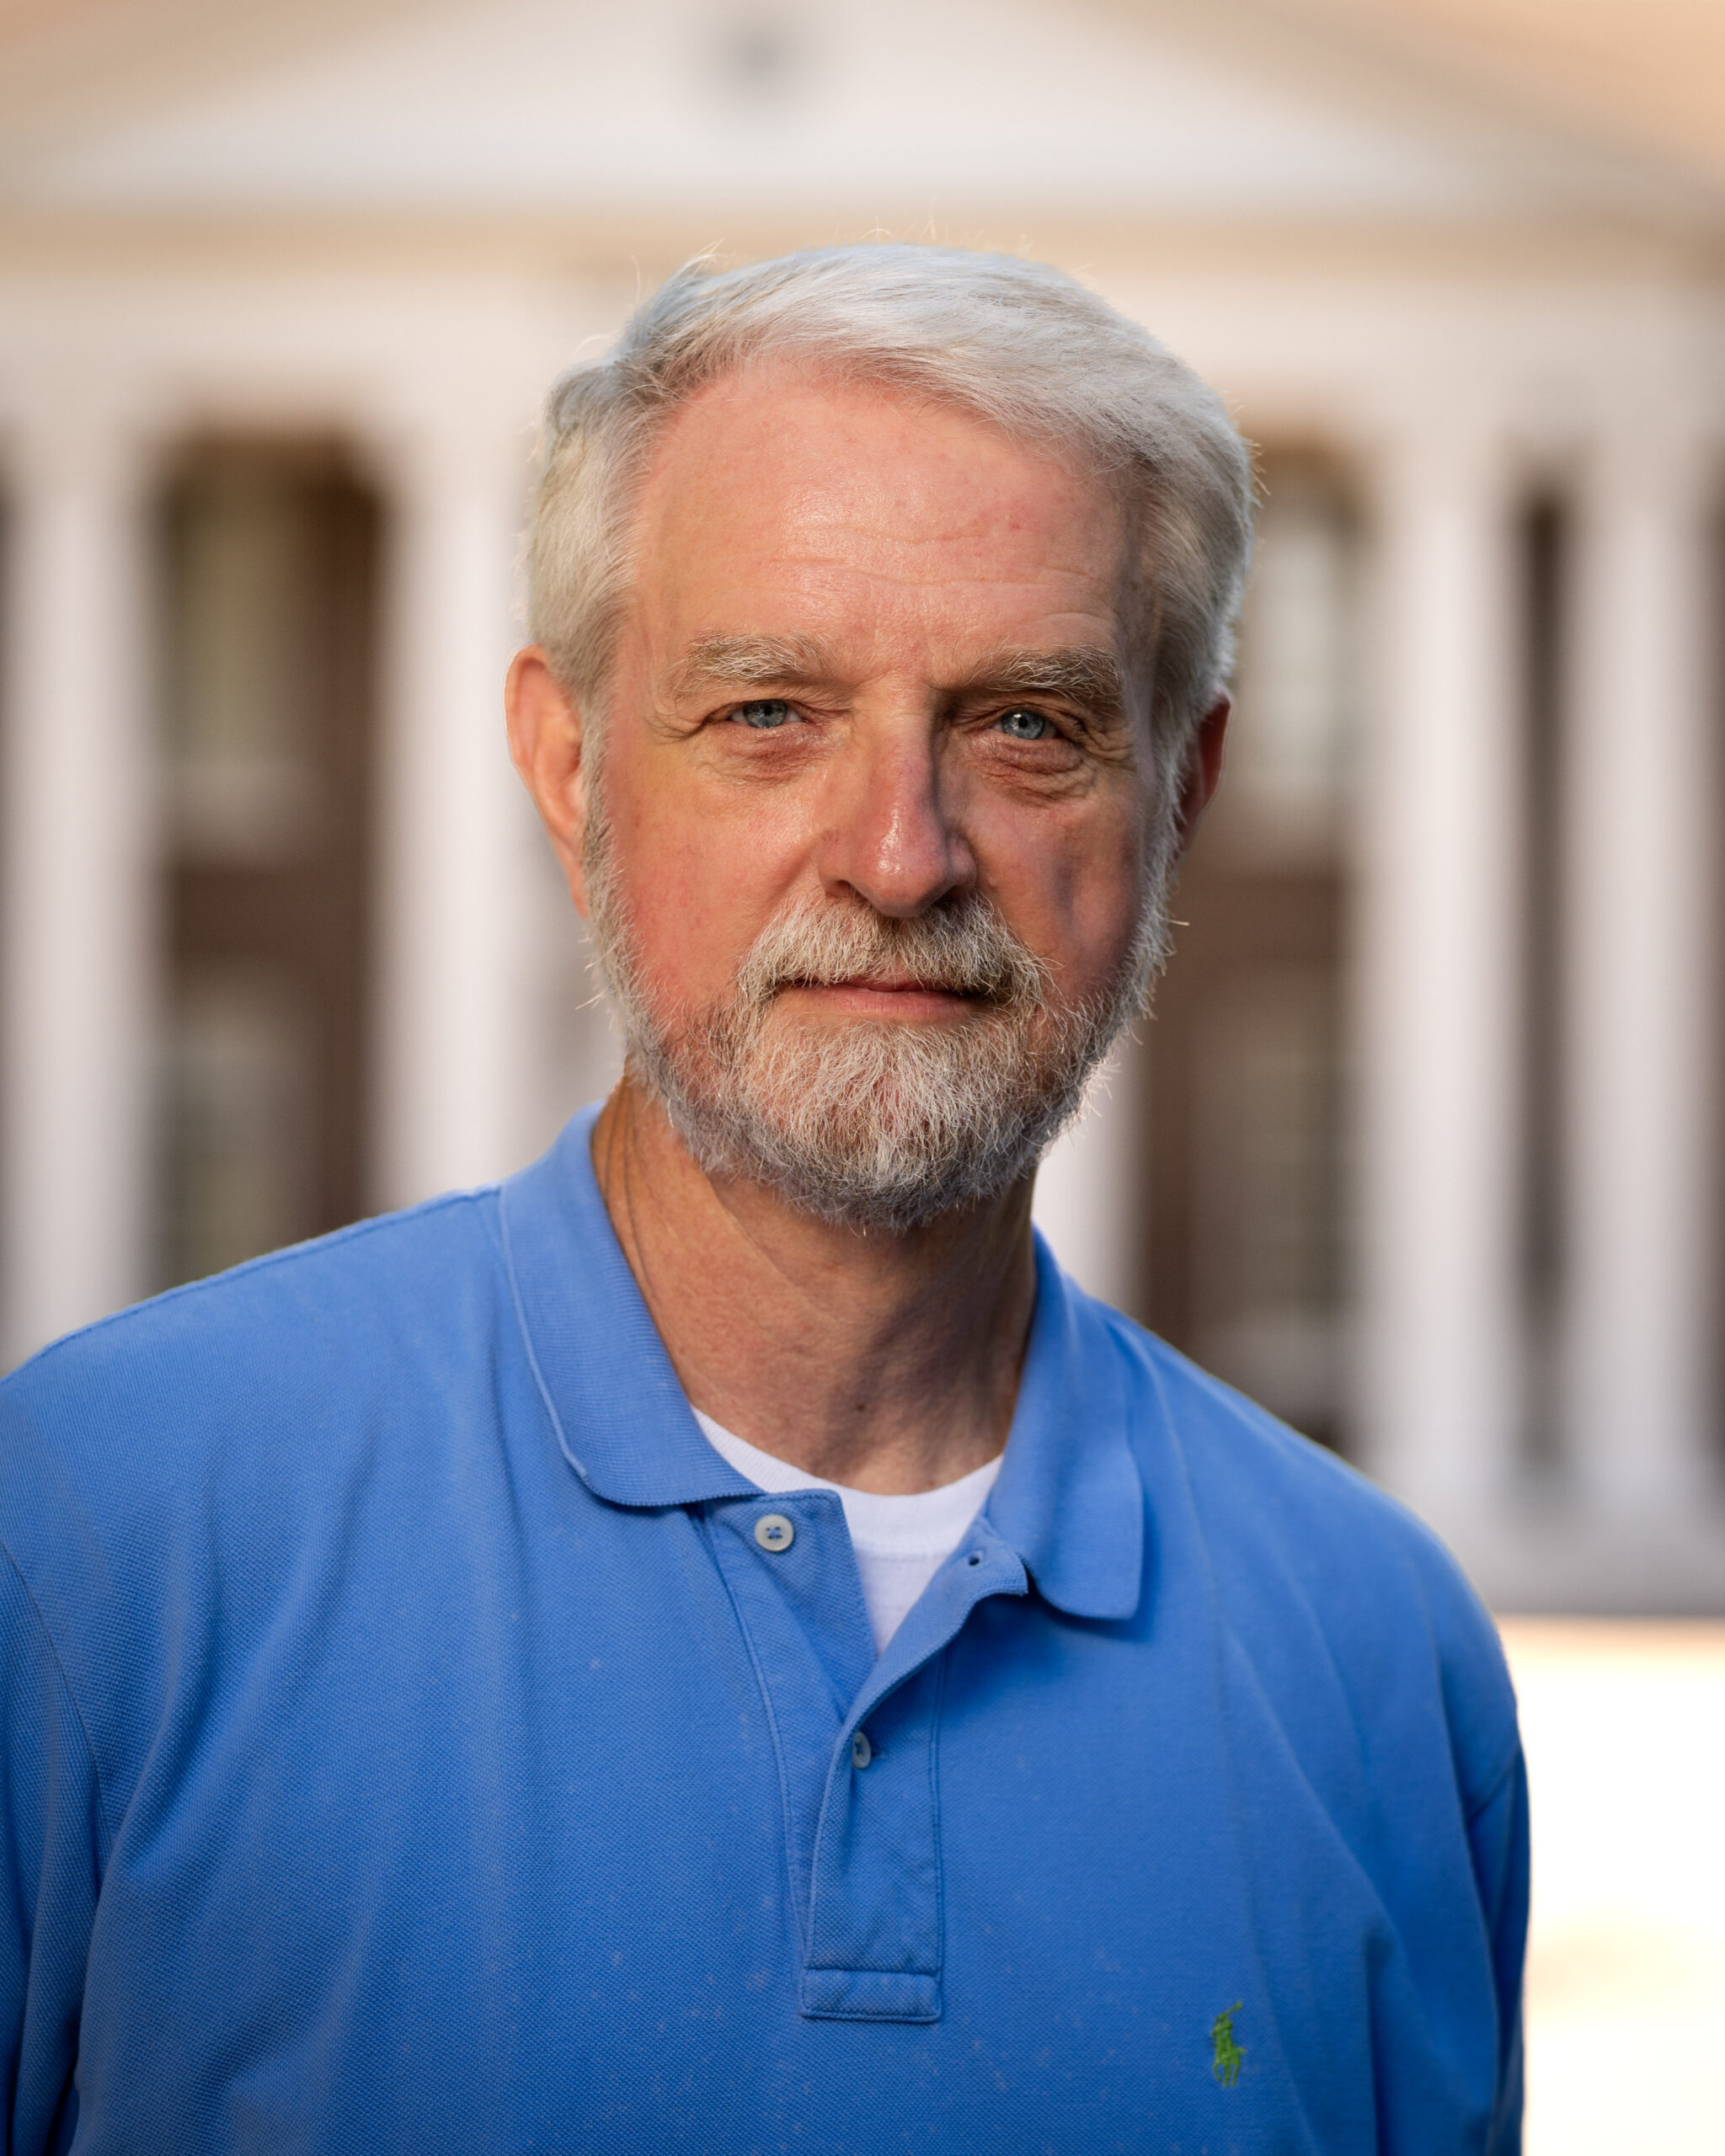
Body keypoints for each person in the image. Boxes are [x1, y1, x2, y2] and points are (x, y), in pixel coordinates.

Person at [0, 245, 1526, 2153]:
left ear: (1182, 786)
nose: (900, 855)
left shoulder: (1378, 1661)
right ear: (569, 767)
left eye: (1027, 723)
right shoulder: (92, 1536)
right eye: (769, 712)